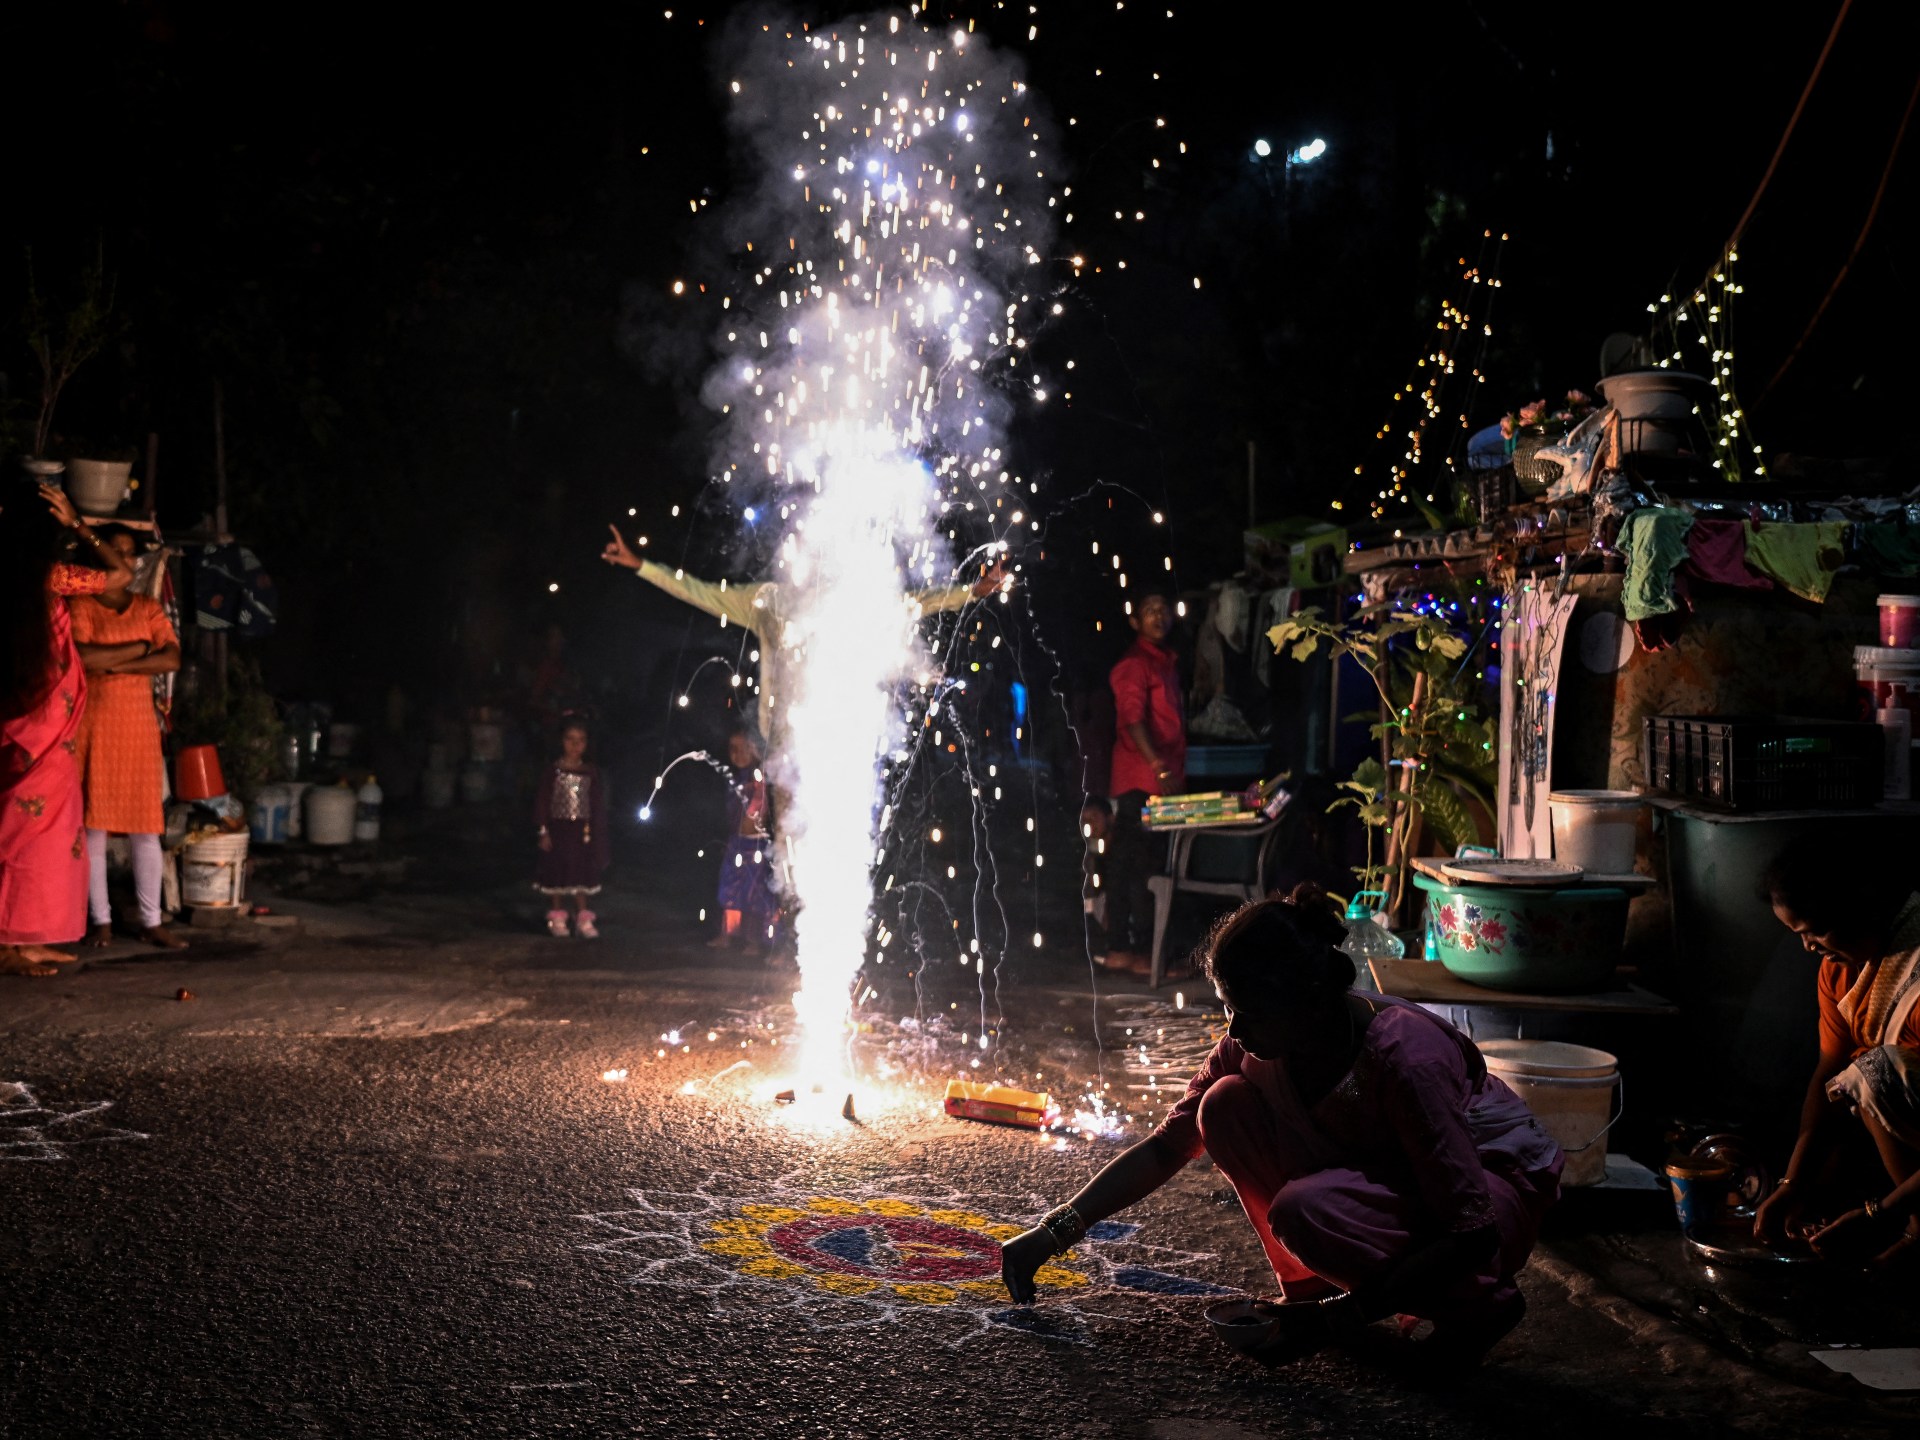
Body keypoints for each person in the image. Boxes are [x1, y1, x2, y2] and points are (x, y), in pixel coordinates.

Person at [1001, 886, 1564, 1369]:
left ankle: (1480, 1308)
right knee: (1221, 1107)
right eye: (1228, 1007)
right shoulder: (1254, 1044)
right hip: (1395, 1183)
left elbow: (1472, 1231)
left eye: (1252, 1010)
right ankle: (1318, 1286)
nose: (1235, 1029)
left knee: (1305, 1209)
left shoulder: (1403, 1058)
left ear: (1312, 1000)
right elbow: (1165, 1148)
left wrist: (1335, 1324)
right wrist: (1053, 1233)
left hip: (1488, 1199)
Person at [598, 526, 1009, 761]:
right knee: (785, 845)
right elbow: (698, 592)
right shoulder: (766, 600)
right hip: (779, 737)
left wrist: (973, 591)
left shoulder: (852, 604)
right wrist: (643, 566)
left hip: (836, 737)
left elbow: (918, 603)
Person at [1753, 837, 1920, 1267]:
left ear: (1859, 908)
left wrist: (1880, 1214)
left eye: (1813, 929)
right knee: (1848, 1082)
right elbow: (1830, 1070)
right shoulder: (1838, 971)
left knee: (1872, 1072)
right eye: (1798, 934)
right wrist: (1793, 1183)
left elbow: (1863, 1076)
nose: (1808, 946)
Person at [0, 482, 135, 976]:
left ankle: (25, 940)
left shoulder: (48, 577)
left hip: (39, 724)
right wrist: (78, 522)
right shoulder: (49, 576)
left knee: (46, 836)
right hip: (31, 722)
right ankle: (6, 946)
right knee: (19, 833)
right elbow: (121, 572)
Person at [71, 524, 185, 949]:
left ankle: (151, 921)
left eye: (129, 552)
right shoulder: (81, 605)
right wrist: (140, 651)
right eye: (113, 550)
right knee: (94, 827)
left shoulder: (148, 607)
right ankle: (100, 920)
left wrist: (113, 666)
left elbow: (171, 658)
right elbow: (82, 658)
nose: (123, 558)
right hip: (95, 724)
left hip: (138, 726)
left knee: (145, 827)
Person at [1102, 590, 1186, 973]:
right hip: (1142, 779)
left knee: (1144, 863)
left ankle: (1141, 951)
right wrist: (1158, 767)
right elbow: (1132, 720)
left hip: (1160, 779)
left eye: (1163, 609)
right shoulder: (1134, 665)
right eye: (1149, 610)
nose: (1158, 616)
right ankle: (1127, 949)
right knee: (1134, 865)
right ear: (1135, 621)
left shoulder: (1165, 662)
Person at [534, 716, 610, 938]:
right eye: (570, 739)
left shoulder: (590, 772)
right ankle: (557, 917)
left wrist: (597, 833)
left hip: (581, 832)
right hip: (558, 829)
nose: (575, 745)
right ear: (561, 741)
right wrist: (543, 830)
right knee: (557, 871)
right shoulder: (553, 771)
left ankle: (582, 916)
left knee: (580, 871)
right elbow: (542, 801)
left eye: (581, 740)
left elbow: (596, 803)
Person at [708, 723, 778, 953]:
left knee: (754, 893)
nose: (738, 754)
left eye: (744, 748)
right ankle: (727, 934)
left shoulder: (760, 778)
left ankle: (753, 941)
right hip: (736, 842)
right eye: (733, 748)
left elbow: (760, 808)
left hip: (756, 844)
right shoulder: (734, 779)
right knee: (729, 889)